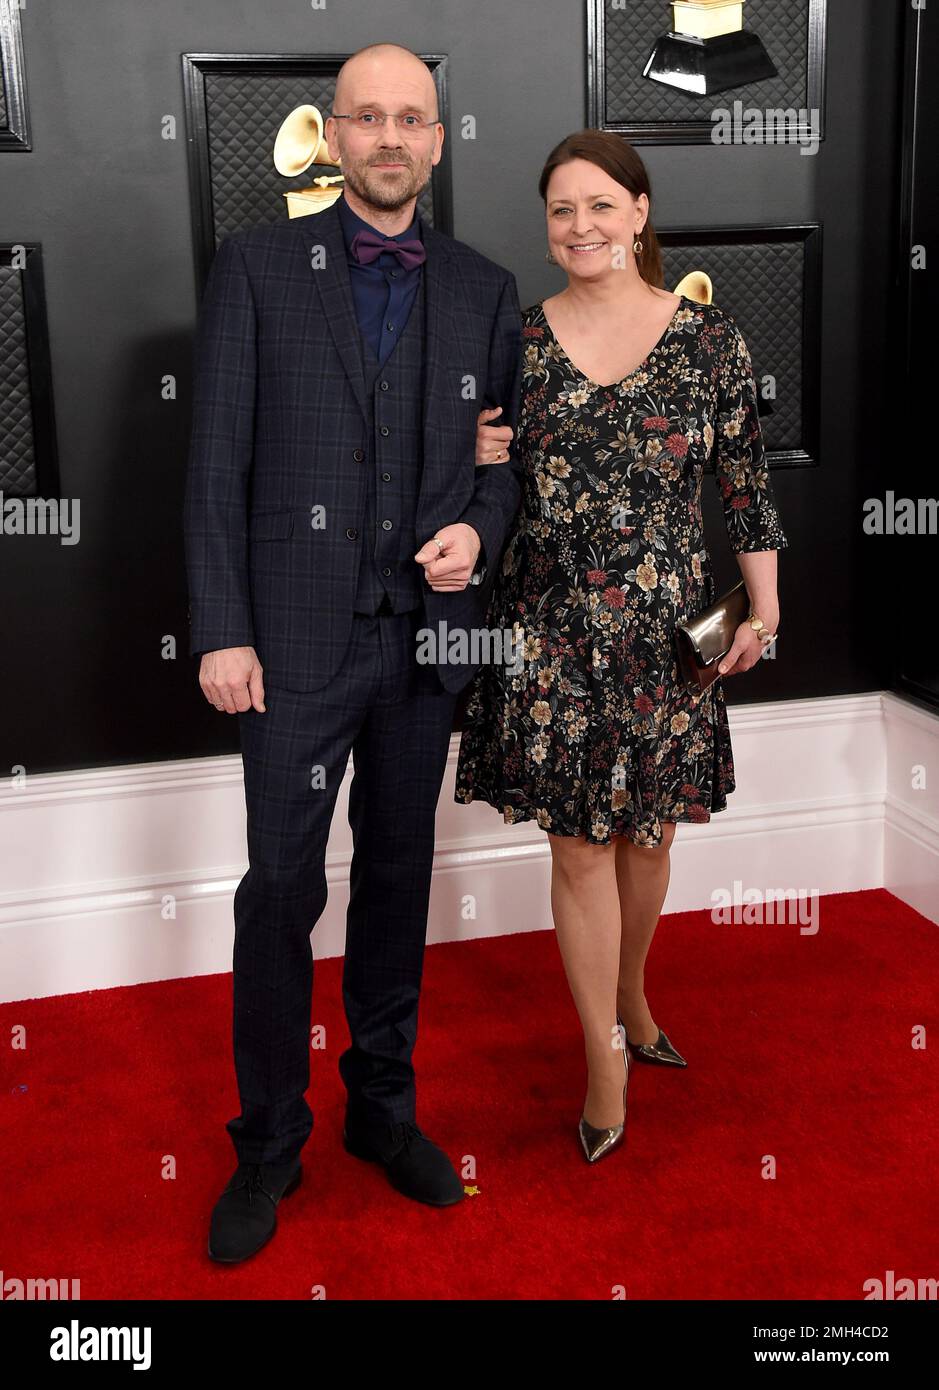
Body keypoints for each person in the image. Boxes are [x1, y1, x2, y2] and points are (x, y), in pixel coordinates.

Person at [183, 42, 523, 1262]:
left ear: (439, 139)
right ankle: (269, 1143)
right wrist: (220, 624)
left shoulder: (486, 288)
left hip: (423, 649)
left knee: (396, 875)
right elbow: (216, 461)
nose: (390, 138)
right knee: (280, 887)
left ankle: (383, 1113)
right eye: (367, 118)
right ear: (333, 136)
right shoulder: (259, 268)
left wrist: (474, 539)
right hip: (289, 642)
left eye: (412, 119)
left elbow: (505, 465)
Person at [455, 130, 789, 1164]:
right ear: (547, 225)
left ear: (640, 213)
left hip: (667, 641)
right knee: (577, 844)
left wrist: (764, 616)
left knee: (649, 837)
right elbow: (488, 484)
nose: (582, 227)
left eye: (602, 205)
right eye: (562, 210)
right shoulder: (513, 343)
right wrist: (473, 458)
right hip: (548, 632)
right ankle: (605, 1053)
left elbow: (748, 491)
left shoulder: (712, 342)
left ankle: (633, 991)